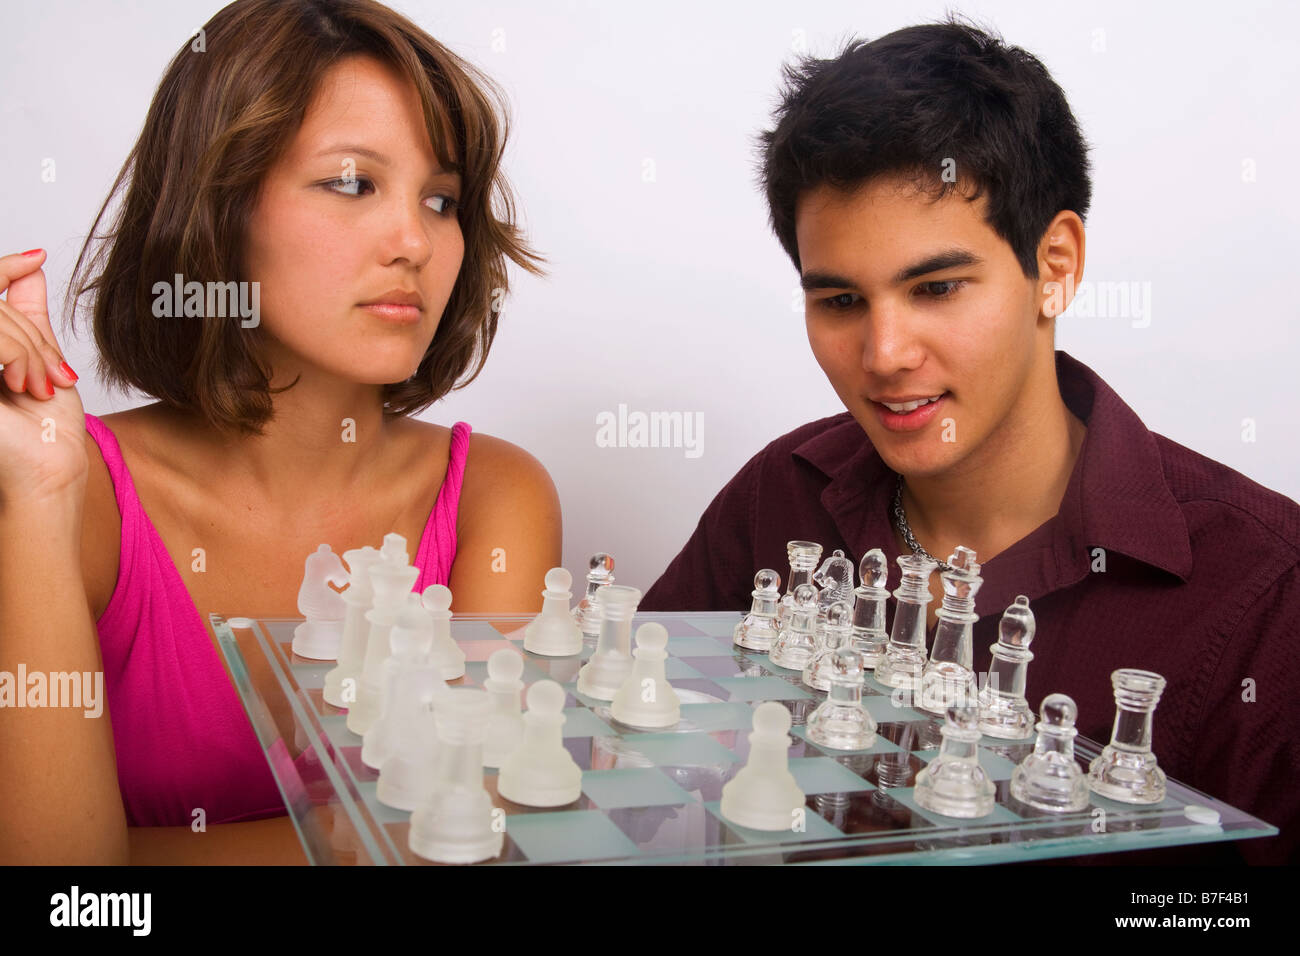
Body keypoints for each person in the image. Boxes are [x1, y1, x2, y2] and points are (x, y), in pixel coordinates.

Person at [642, 17, 1299, 864]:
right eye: (839, 301)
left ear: (1054, 264)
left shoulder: (1266, 593)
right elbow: (638, 748)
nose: (884, 356)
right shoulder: (783, 492)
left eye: (937, 287)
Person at [0, 0, 560, 864]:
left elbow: (475, 841)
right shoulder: (69, 494)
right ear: (218, 203)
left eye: (442, 198)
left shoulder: (497, 495)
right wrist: (34, 493)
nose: (415, 239)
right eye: (351, 183)